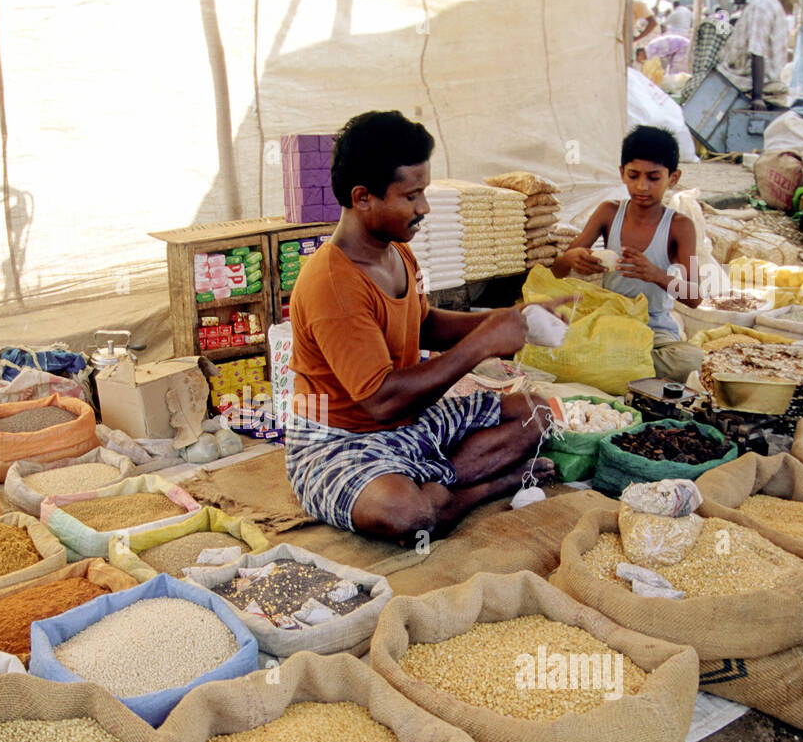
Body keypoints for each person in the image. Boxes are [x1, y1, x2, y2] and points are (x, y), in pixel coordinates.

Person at [284, 111, 565, 541]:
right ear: (363, 198)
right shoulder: (333, 285)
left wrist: (516, 318)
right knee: (406, 514)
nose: (424, 209)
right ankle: (489, 485)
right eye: (412, 196)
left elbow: (425, 324)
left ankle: (438, 488)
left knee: (537, 414)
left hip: (412, 425)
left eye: (425, 193)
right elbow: (381, 401)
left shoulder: (397, 252)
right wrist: (481, 346)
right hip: (341, 440)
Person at [551, 125, 703, 383]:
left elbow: (694, 297)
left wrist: (656, 275)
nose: (642, 186)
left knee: (688, 360)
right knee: (543, 334)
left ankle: (611, 368)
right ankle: (623, 370)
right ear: (622, 173)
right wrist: (570, 259)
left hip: (652, 330)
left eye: (654, 178)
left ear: (673, 178)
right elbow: (558, 271)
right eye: (634, 176)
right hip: (606, 323)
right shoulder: (609, 212)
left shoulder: (680, 226)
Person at [719, 0, 789, 110]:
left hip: (753, 83)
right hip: (747, 79)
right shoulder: (755, 3)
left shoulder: (760, 5)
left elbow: (757, 52)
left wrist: (757, 97)